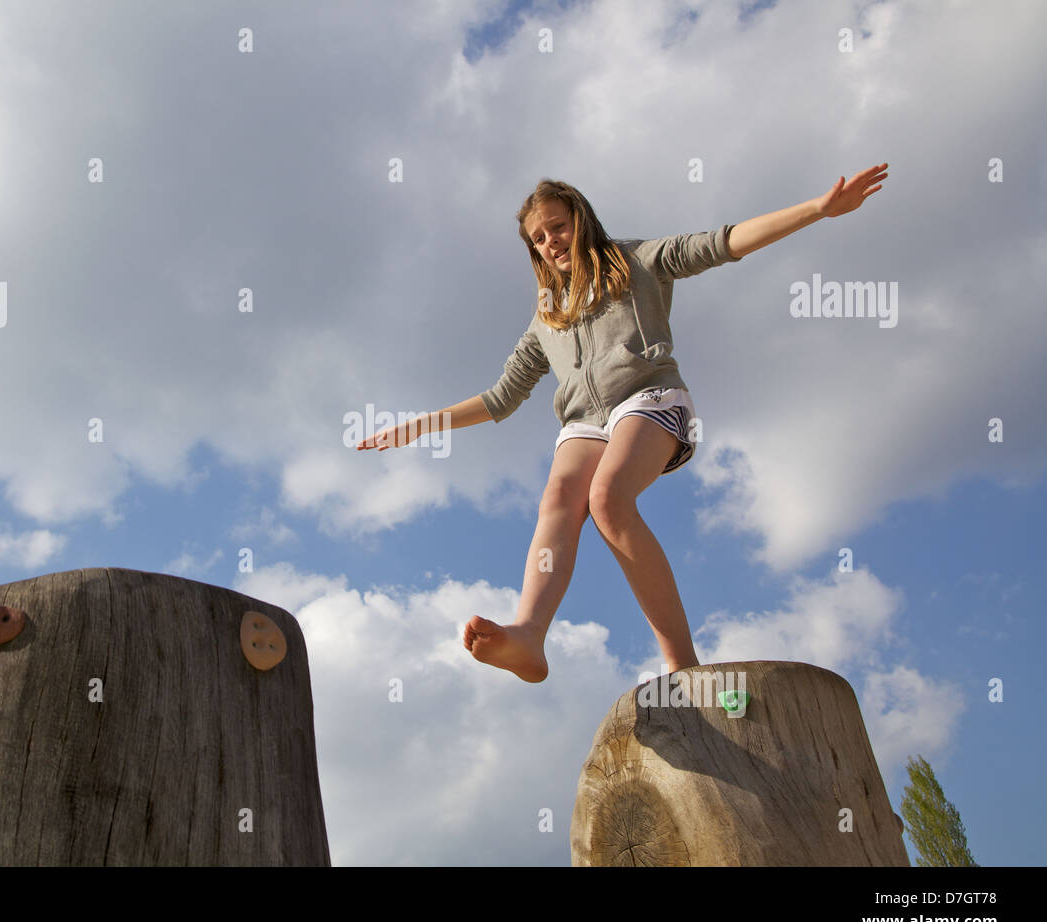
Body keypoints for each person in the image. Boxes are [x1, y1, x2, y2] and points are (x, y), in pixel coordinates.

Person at [358, 167, 887, 683]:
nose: (551, 242)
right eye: (539, 239)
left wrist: (818, 209)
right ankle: (530, 635)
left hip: (649, 397)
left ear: (581, 219)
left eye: (558, 226)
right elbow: (501, 398)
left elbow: (725, 243)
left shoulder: (637, 260)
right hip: (586, 421)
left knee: (607, 499)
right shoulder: (547, 318)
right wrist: (421, 425)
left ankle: (681, 660)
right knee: (560, 495)